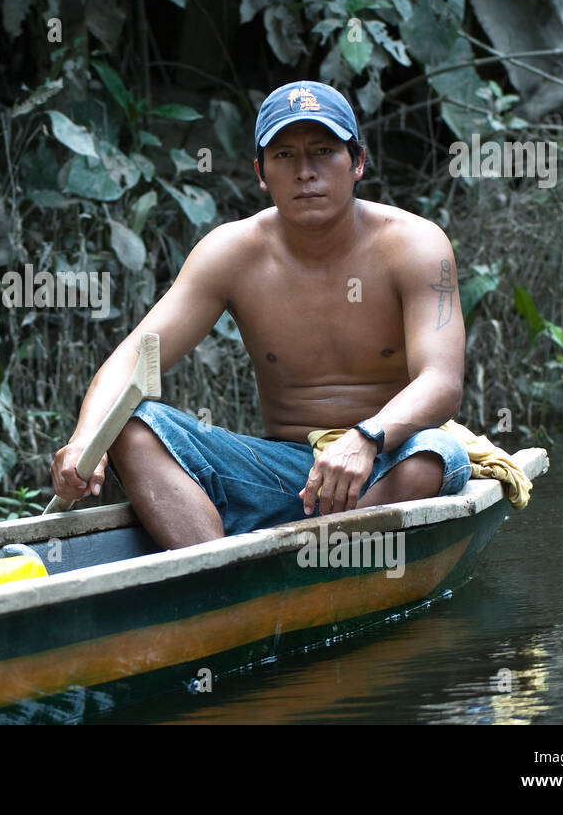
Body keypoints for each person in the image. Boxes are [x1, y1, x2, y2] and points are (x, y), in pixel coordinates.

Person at [49, 81, 472, 549]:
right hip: (284, 472)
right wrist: (85, 441)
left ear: (358, 163)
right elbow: (136, 354)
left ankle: (314, 566)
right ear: (261, 172)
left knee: (434, 455)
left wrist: (366, 438)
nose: (305, 172)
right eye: (285, 156)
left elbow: (441, 382)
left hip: (387, 458)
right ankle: (216, 577)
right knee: (129, 424)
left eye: (324, 152)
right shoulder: (232, 252)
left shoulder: (415, 244)